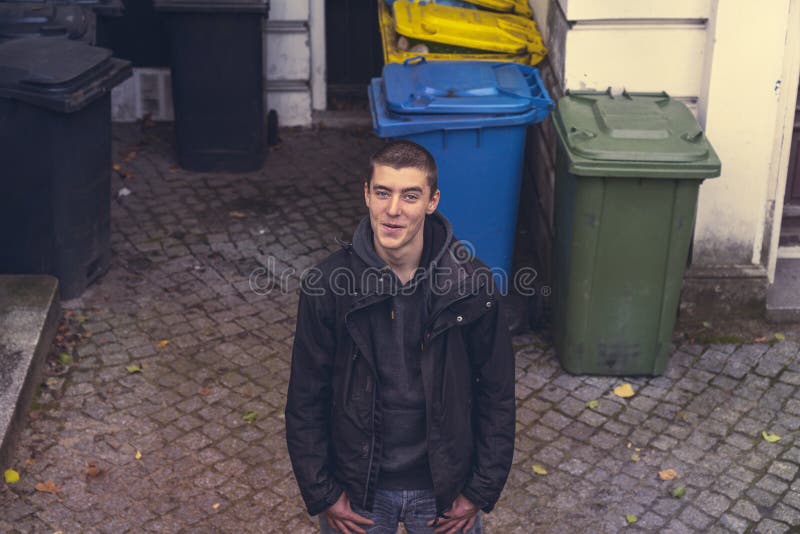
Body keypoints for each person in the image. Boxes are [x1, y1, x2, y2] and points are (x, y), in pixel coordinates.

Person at [285, 140, 515, 534]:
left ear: (432, 201)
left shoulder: (473, 285)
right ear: (366, 195)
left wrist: (478, 491)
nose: (393, 210)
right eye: (383, 193)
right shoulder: (327, 286)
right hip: (359, 492)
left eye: (410, 195)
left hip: (443, 492)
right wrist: (323, 494)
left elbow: (497, 395)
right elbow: (306, 398)